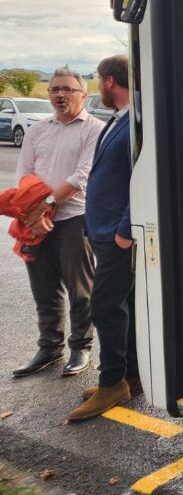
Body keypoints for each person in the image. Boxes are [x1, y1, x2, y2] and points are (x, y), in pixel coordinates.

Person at [13, 67, 104, 378]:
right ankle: (50, 348)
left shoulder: (94, 129)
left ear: (83, 95)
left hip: (74, 218)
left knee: (80, 288)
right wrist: (33, 213)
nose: (60, 95)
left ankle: (81, 347)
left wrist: (46, 207)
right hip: (36, 221)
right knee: (43, 287)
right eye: (54, 89)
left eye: (68, 89)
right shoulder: (37, 130)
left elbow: (82, 176)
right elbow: (23, 175)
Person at [69, 55, 137, 422]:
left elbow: (142, 179)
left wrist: (124, 232)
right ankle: (129, 374)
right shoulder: (119, 119)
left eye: (98, 80)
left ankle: (113, 383)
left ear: (109, 81)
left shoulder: (136, 123)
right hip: (103, 231)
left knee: (105, 307)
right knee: (123, 304)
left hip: (116, 236)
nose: (98, 86)